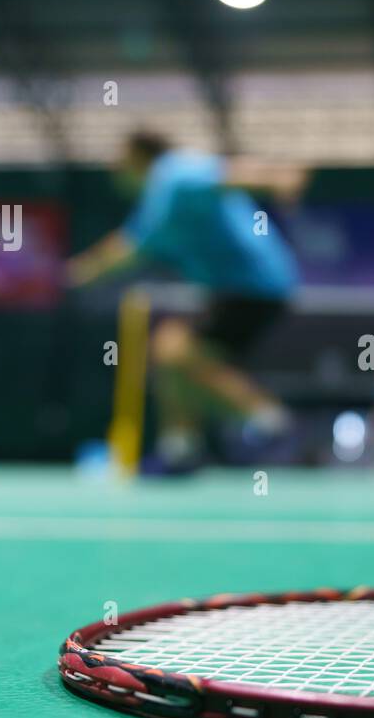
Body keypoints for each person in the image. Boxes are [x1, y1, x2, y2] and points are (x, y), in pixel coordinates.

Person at [67, 132, 309, 471]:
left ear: (138, 155)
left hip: (256, 287)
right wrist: (80, 272)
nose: (115, 168)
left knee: (172, 350)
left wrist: (275, 177)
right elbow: (129, 248)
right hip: (231, 291)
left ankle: (271, 423)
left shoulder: (176, 172)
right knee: (171, 360)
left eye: (120, 159)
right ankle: (180, 451)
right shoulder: (156, 199)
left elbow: (228, 175)